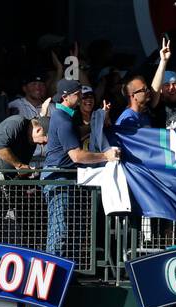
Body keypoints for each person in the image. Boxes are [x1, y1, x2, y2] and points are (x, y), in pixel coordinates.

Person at [42, 78, 119, 259]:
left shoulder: (65, 117)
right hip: (59, 178)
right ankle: (53, 274)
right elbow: (76, 155)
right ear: (65, 97)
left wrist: (101, 117)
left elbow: (80, 133)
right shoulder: (63, 119)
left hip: (65, 179)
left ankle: (67, 272)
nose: (81, 97)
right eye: (77, 94)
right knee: (59, 230)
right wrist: (105, 156)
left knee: (68, 230)